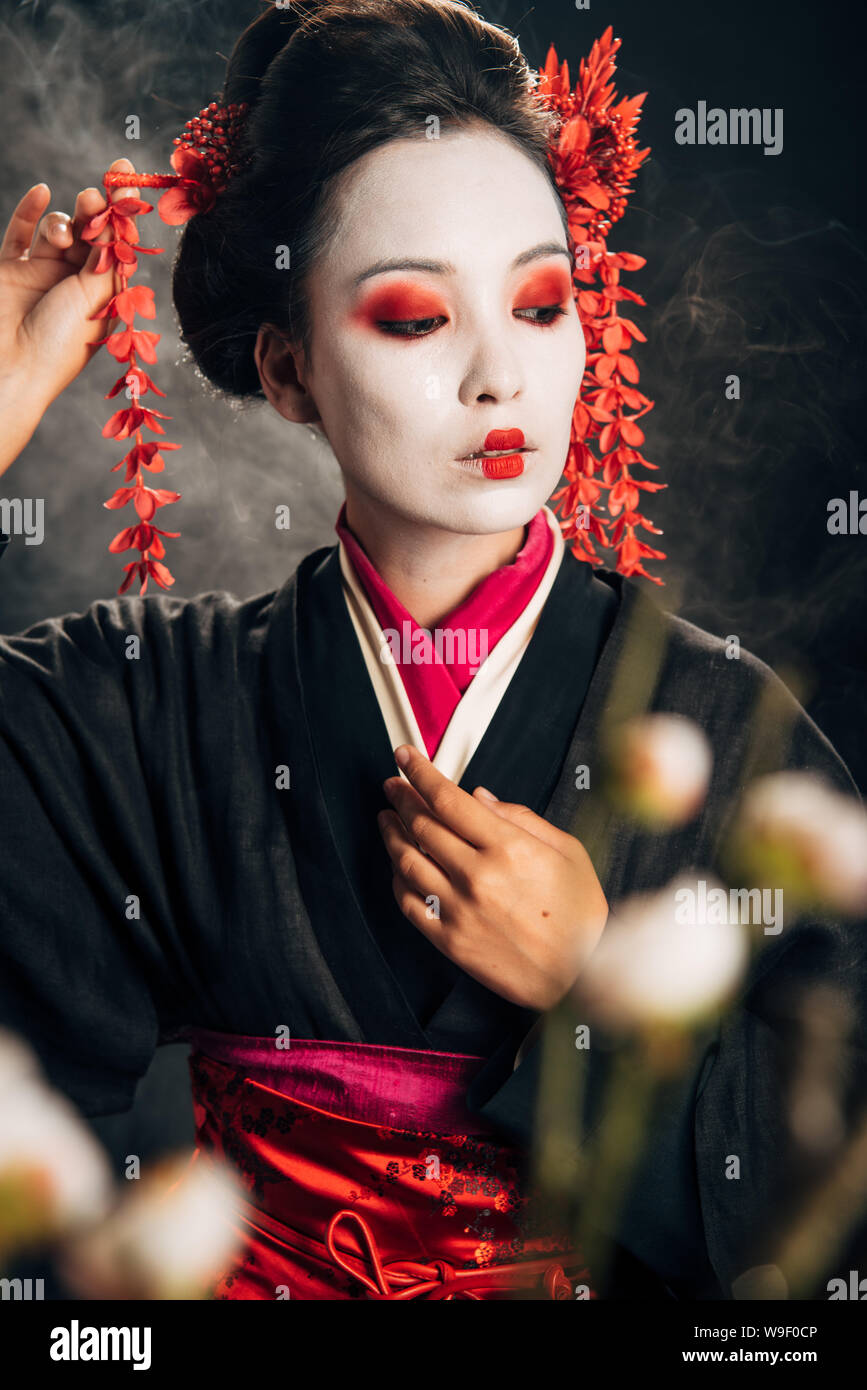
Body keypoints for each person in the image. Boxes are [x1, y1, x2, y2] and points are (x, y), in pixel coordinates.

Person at [0, 0, 864, 1301]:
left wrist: (592, 979)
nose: (499, 378)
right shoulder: (146, 708)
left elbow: (834, 1206)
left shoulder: (724, 725)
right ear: (287, 372)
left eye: (539, 303)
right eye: (414, 318)